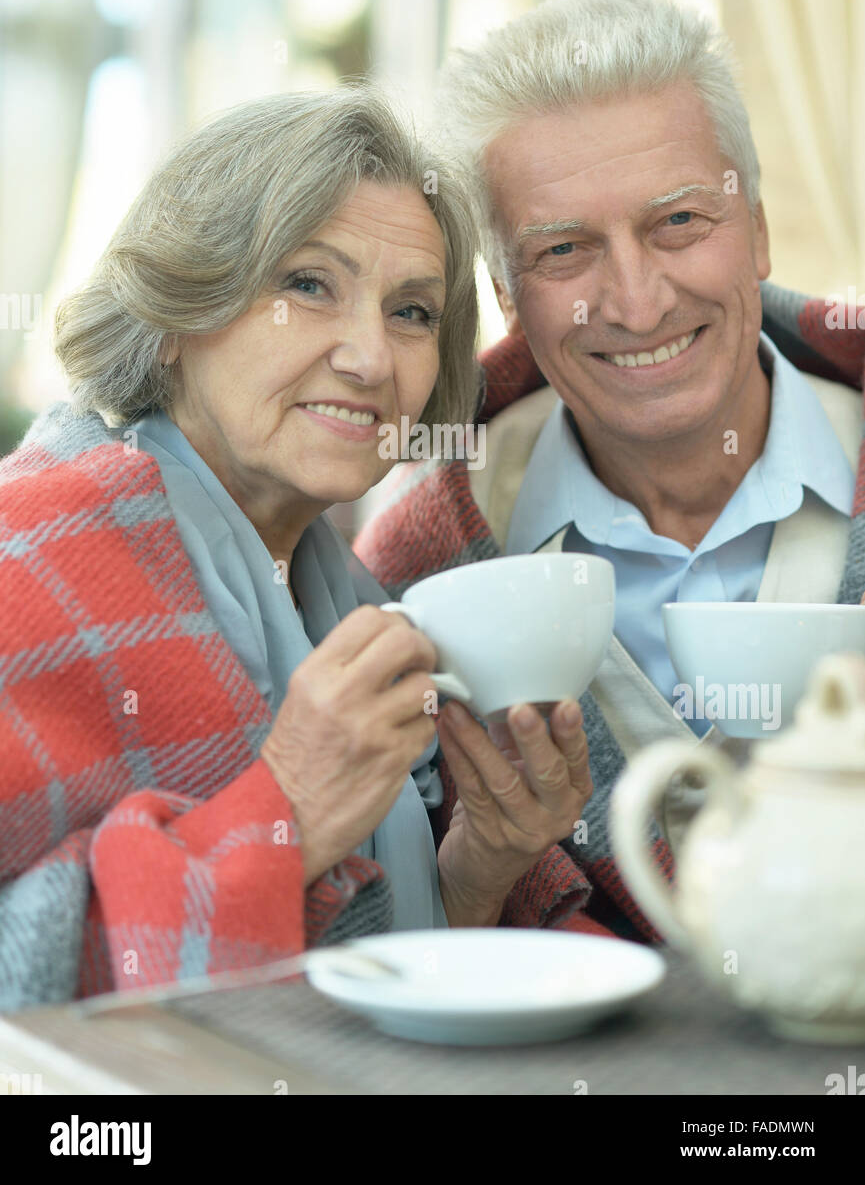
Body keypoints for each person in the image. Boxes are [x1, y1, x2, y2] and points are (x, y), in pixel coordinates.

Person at [0, 86, 597, 1012]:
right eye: (308, 285)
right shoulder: (29, 556)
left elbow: (336, 982)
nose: (369, 358)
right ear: (173, 318)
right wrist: (283, 813)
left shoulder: (355, 598)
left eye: (410, 312)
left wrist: (477, 868)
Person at [355, 0, 865, 939]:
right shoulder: (411, 583)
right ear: (506, 294)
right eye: (563, 250)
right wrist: (475, 879)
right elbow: (398, 957)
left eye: (677, 222)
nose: (634, 303)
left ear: (755, 230)